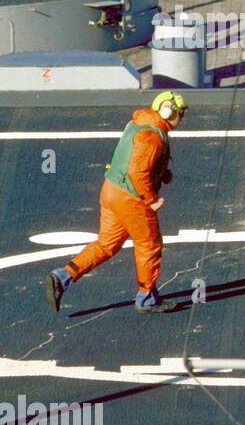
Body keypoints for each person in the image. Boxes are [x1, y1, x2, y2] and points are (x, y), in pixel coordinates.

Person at [45, 90, 187, 314]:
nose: (182, 117)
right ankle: (147, 297)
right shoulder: (151, 136)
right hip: (130, 198)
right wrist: (150, 200)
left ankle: (62, 277)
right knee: (148, 244)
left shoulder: (140, 121)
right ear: (168, 111)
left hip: (111, 190)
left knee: (106, 244)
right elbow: (137, 171)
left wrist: (161, 174)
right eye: (180, 113)